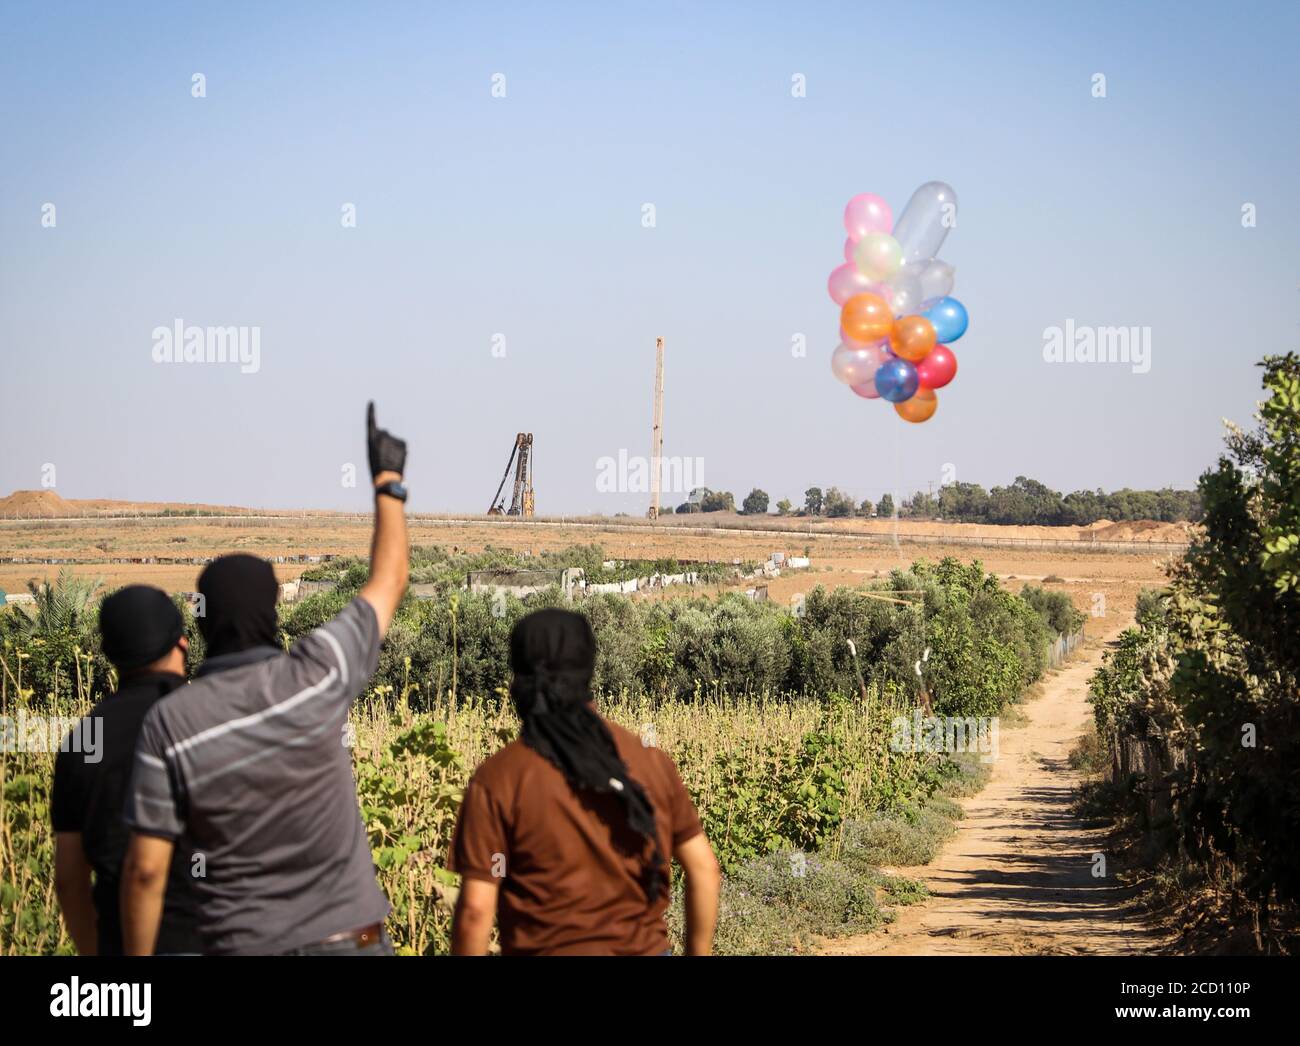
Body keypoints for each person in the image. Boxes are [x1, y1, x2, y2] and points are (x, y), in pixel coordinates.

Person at [120, 403, 410, 955]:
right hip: (350, 940)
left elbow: (146, 873)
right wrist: (388, 481)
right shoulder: (320, 672)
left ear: (200, 624)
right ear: (273, 612)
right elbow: (390, 581)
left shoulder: (172, 722)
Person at [449, 608, 721, 955]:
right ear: (588, 671)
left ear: (518, 679)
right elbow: (704, 870)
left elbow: (475, 912)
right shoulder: (650, 763)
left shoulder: (498, 778)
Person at [51, 585, 201, 955]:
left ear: (110, 654)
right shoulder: (210, 718)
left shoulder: (86, 736)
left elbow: (70, 878)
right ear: (181, 644)